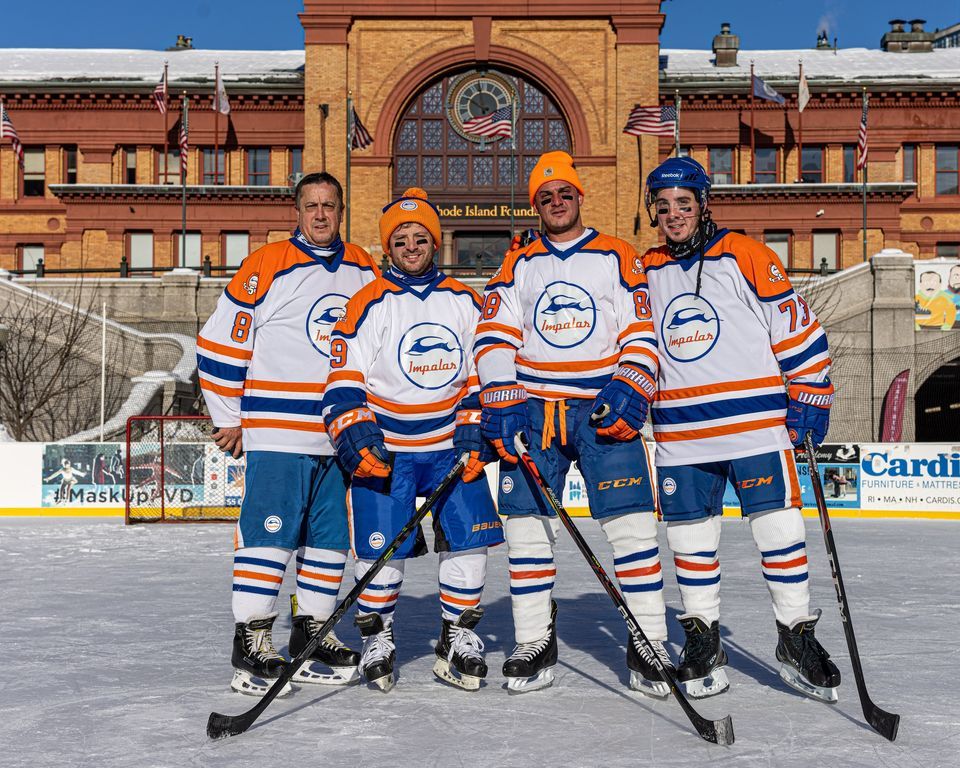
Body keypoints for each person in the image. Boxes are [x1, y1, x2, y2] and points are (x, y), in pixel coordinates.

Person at [640, 156, 841, 703]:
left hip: (755, 428)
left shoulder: (746, 253)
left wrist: (811, 394)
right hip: (681, 433)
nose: (674, 215)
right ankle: (702, 638)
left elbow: (799, 331)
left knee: (779, 531)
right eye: (663, 207)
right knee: (690, 540)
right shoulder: (645, 269)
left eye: (684, 204)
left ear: (704, 204)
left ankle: (795, 634)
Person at [474, 151, 670, 696]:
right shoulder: (518, 263)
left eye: (564, 193)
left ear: (580, 197)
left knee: (631, 526)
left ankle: (649, 640)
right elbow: (492, 335)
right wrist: (502, 393)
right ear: (535, 204)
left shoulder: (617, 255)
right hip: (535, 411)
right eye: (544, 196)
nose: (555, 203)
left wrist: (632, 381)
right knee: (526, 530)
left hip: (602, 406)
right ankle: (535, 638)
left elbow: (641, 328)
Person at [197, 171, 380, 696]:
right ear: (296, 212)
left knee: (328, 541)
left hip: (340, 436)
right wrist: (228, 415)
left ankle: (313, 634)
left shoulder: (364, 267)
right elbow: (218, 346)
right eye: (311, 206)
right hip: (277, 433)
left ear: (342, 212)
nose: (321, 215)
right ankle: (252, 639)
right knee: (268, 535)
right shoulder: (267, 264)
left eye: (330, 206)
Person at [322, 187, 503, 692]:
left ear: (435, 242)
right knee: (381, 547)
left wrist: (474, 423)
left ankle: (458, 634)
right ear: (387, 246)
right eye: (400, 238)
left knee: (469, 537)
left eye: (420, 236)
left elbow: (481, 370)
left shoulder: (466, 300)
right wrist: (354, 429)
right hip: (388, 448)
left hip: (449, 446)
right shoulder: (368, 302)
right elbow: (343, 375)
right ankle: (378, 634)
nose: (411, 245)